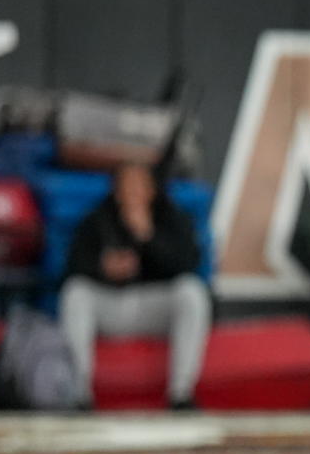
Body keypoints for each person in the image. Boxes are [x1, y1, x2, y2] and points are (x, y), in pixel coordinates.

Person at [61, 162, 209, 411]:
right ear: (115, 191)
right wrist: (102, 268)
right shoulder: (97, 219)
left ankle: (181, 395)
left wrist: (148, 236)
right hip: (110, 307)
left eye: (139, 185)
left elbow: (187, 264)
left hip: (154, 309)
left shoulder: (172, 218)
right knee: (75, 294)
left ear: (152, 190)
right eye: (125, 186)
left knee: (192, 293)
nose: (132, 192)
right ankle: (78, 395)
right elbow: (70, 268)